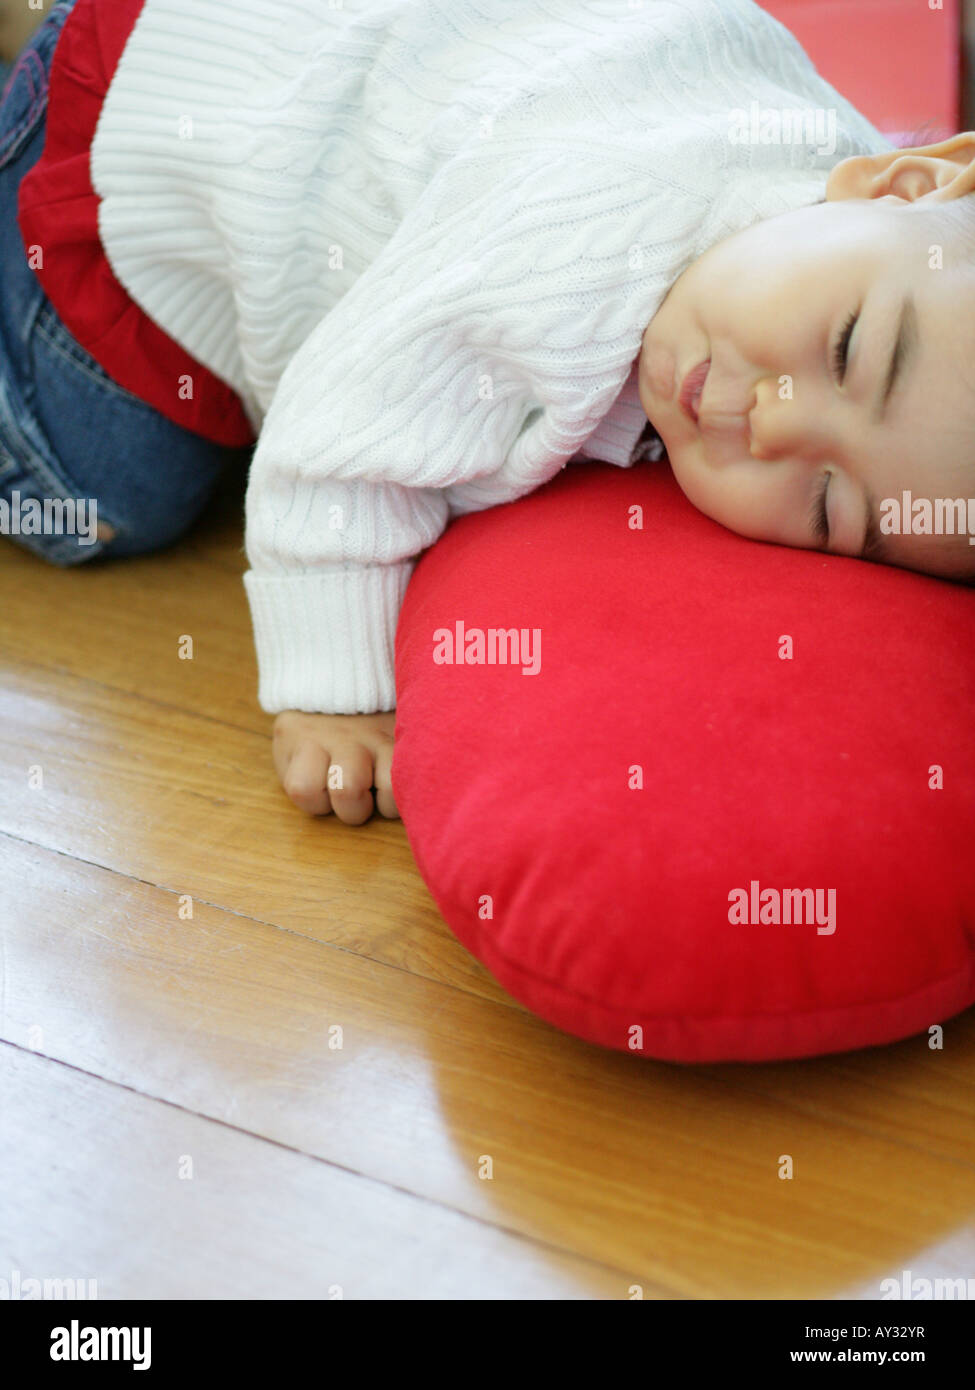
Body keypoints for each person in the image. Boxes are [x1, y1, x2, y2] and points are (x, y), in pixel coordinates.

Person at [1, 0, 971, 827]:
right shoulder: (572, 257)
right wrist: (334, 696)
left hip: (301, 46)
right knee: (109, 487)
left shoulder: (847, 198)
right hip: (142, 134)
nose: (773, 422)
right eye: (848, 350)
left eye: (831, 506)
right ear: (906, 182)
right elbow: (334, 441)